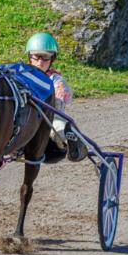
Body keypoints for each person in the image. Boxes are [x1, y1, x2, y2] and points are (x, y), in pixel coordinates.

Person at [25, 32, 87, 162]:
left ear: (52, 59)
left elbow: (59, 102)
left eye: (45, 58)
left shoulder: (56, 80)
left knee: (58, 126)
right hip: (27, 117)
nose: (40, 62)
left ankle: (72, 142)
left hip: (49, 119)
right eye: (36, 57)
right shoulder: (23, 76)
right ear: (29, 57)